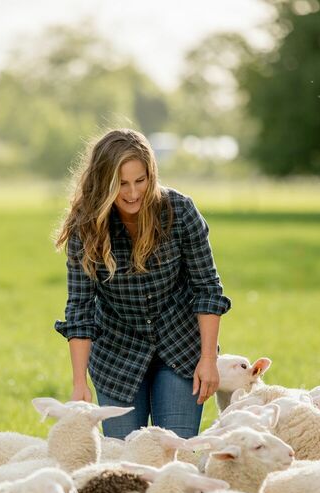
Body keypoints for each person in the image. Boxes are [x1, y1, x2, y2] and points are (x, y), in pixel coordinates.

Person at [54, 128, 231, 439]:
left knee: (174, 454)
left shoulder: (179, 211)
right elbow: (80, 309)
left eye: (140, 180)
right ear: (104, 182)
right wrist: (79, 384)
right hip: (117, 356)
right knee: (121, 460)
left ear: (152, 175)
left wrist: (208, 359)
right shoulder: (87, 228)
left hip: (181, 349)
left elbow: (207, 290)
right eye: (121, 184)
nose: (133, 193)